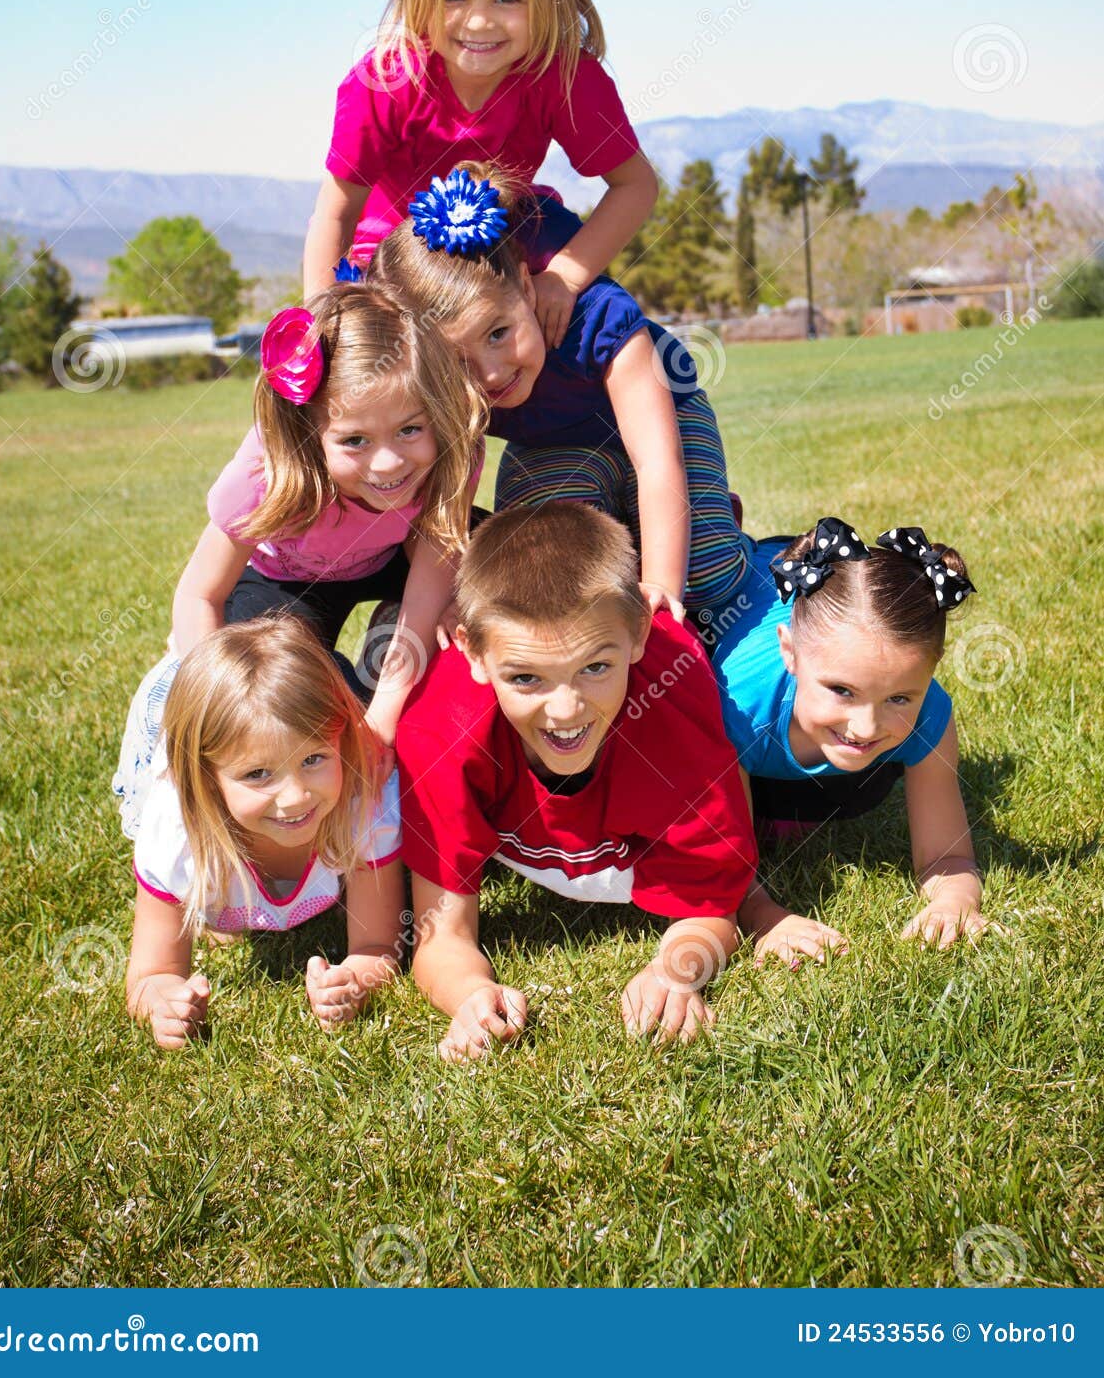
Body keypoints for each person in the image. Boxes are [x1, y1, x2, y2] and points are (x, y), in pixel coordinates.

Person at [395, 502, 757, 1061]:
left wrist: (677, 968)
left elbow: (711, 900)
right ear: (471, 652)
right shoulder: (442, 729)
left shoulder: (673, 699)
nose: (565, 710)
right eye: (526, 677)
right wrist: (469, 993)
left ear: (638, 632)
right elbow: (442, 934)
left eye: (594, 667)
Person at [370, 163, 747, 622]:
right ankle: (624, 517)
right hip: (552, 444)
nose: (490, 374)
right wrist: (454, 599)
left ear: (527, 287)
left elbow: (656, 461)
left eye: (498, 333)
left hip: (666, 423)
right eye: (456, 360)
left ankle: (719, 521)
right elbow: (443, 507)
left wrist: (663, 588)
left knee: (708, 579)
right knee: (556, 581)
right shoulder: (439, 386)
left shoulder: (597, 319)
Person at [302, 0, 658, 348]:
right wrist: (319, 327)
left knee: (610, 319)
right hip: (392, 258)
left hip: (504, 241)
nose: (478, 21)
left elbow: (636, 186)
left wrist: (565, 278)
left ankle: (672, 403)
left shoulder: (566, 76)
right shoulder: (384, 82)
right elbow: (334, 214)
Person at [171, 283, 485, 755]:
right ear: (307, 433)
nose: (388, 463)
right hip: (289, 580)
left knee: (507, 562)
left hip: (398, 555)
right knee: (277, 679)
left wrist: (386, 714)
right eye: (354, 440)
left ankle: (391, 633)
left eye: (410, 429)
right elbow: (199, 593)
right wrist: (209, 694)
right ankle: (348, 692)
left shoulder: (451, 449)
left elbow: (434, 558)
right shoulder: (264, 476)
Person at [117, 617, 403, 1051]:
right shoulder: (174, 828)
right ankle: (181, 661)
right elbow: (150, 973)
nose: (294, 798)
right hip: (164, 719)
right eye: (258, 774)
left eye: (313, 759)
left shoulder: (361, 799)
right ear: (207, 780)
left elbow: (379, 944)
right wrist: (163, 1003)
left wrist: (354, 979)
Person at [711, 517, 990, 957]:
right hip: (757, 582)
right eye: (842, 690)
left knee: (857, 785)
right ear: (790, 652)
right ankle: (771, 801)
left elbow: (948, 858)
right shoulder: (736, 707)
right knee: (742, 814)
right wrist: (765, 915)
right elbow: (722, 869)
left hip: (809, 734)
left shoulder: (930, 714)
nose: (864, 727)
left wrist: (953, 900)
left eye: (899, 697)